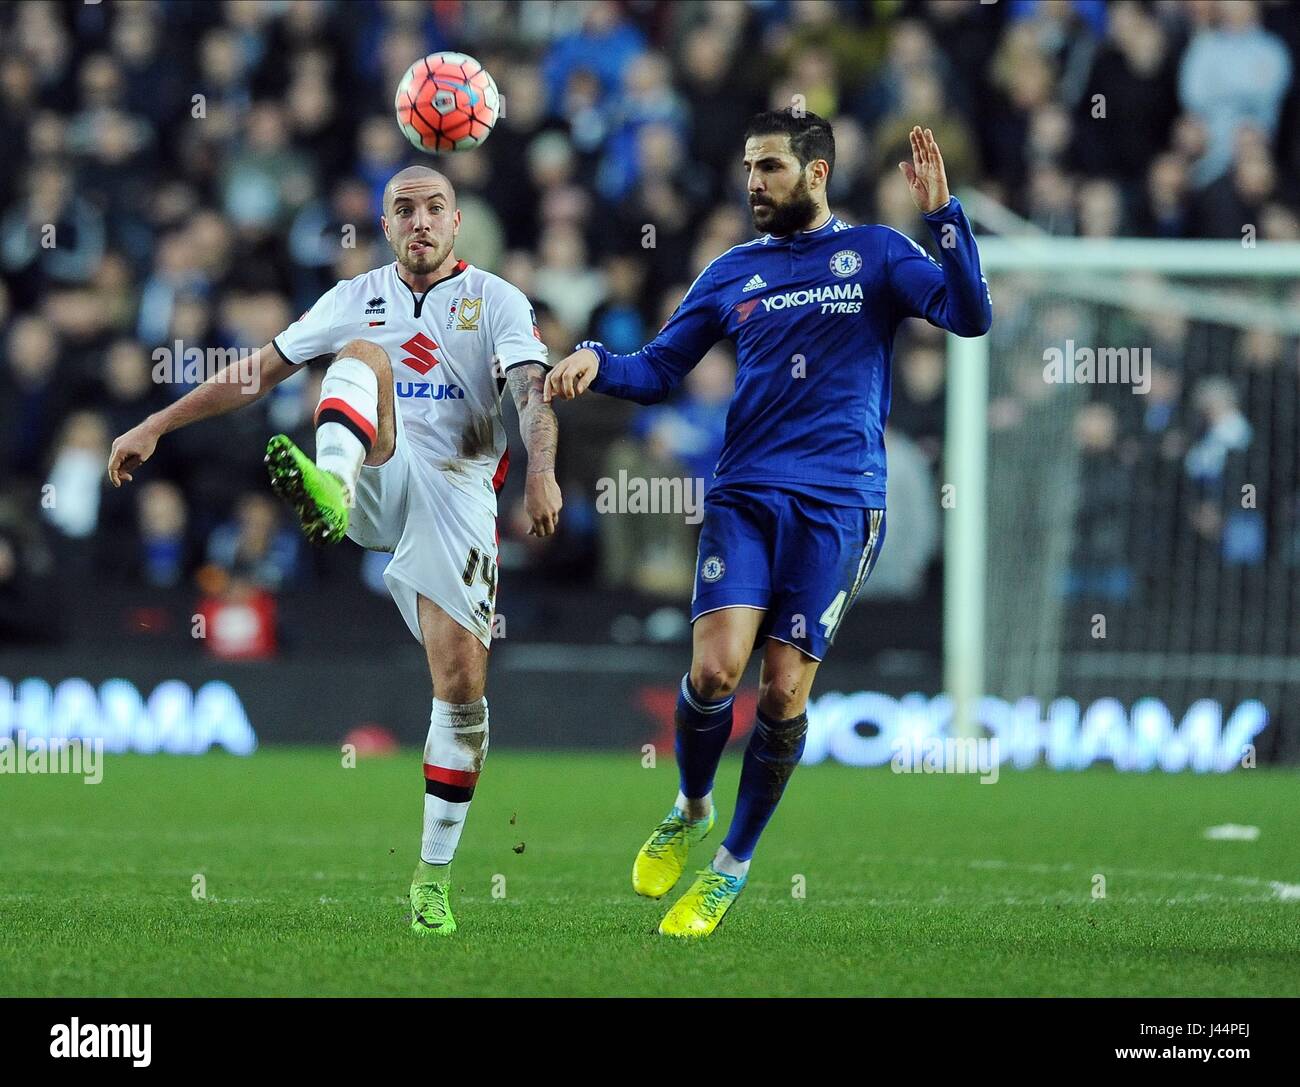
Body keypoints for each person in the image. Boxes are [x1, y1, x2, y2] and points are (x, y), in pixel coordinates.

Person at [545, 110, 990, 937]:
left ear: (816, 174)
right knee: (716, 674)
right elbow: (659, 369)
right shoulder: (731, 270)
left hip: (840, 501)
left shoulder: (880, 256)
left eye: (771, 168)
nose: (754, 182)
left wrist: (943, 217)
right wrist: (599, 361)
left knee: (782, 688)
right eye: (749, 167)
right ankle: (690, 805)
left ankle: (729, 868)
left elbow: (970, 317)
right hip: (746, 492)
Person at [108, 165, 561, 936]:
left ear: (457, 223)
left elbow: (531, 392)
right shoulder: (356, 295)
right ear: (385, 226)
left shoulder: (498, 300)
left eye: (434, 209)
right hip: (379, 470)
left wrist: (543, 471)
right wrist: (156, 422)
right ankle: (333, 489)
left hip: (459, 490)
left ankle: (433, 876)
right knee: (361, 354)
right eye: (403, 209)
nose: (419, 222)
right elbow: (257, 372)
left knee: (460, 691)